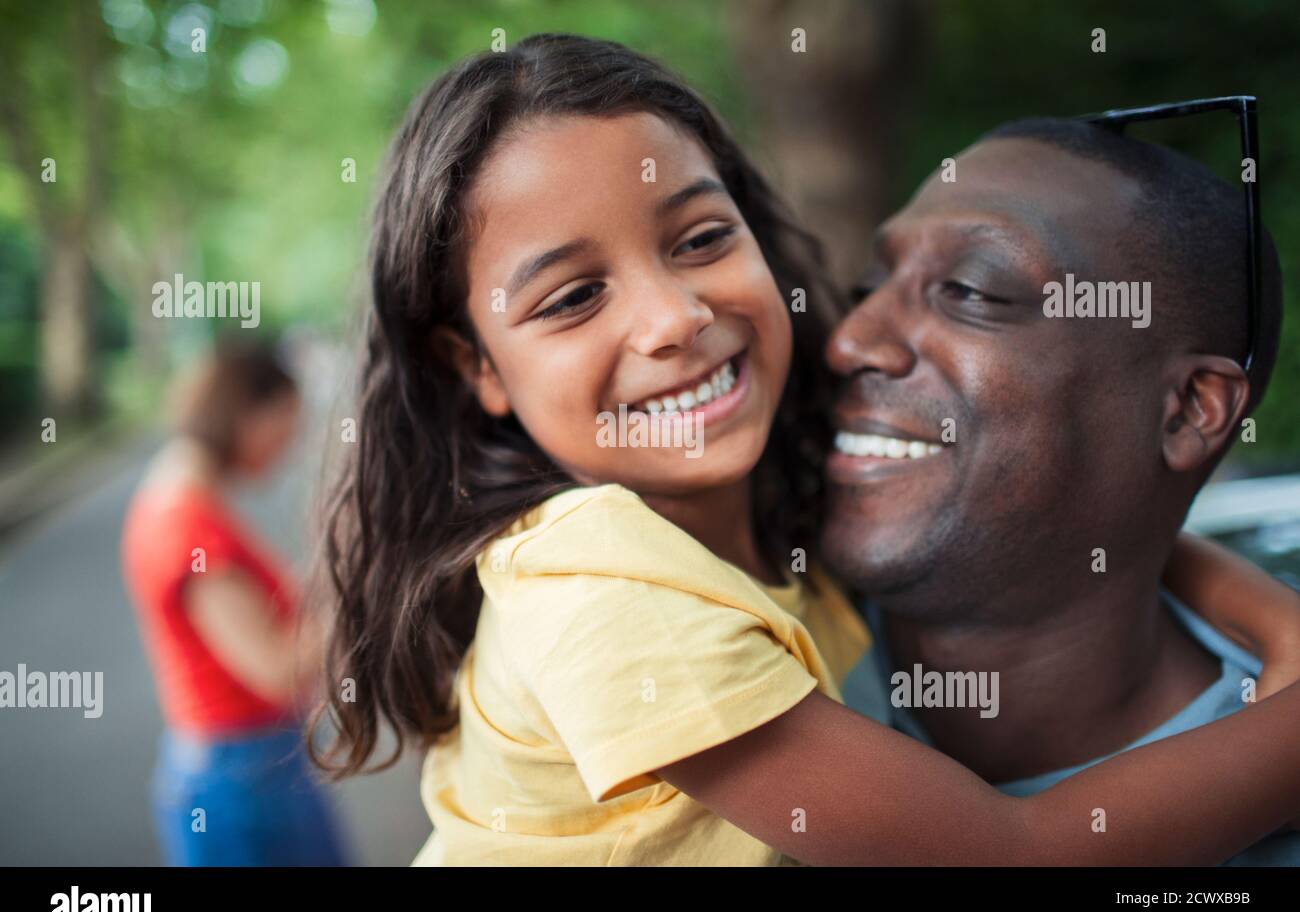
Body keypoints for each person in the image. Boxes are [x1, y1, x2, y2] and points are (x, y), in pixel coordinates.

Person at [313, 34, 1300, 866]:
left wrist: (1272, 618)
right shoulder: (595, 585)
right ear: (476, 366)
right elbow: (1015, 851)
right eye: (571, 297)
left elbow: (1091, 508)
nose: (673, 316)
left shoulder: (773, 520)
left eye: (699, 239)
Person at [822, 117, 1300, 864]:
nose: (850, 339)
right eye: (868, 287)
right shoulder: (734, 626)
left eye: (972, 289)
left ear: (1187, 409)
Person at [122, 341, 346, 866]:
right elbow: (274, 669)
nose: (288, 445)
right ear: (248, 412)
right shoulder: (186, 525)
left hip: (250, 771)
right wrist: (355, 591)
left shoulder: (182, 498)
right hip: (245, 782)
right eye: (287, 424)